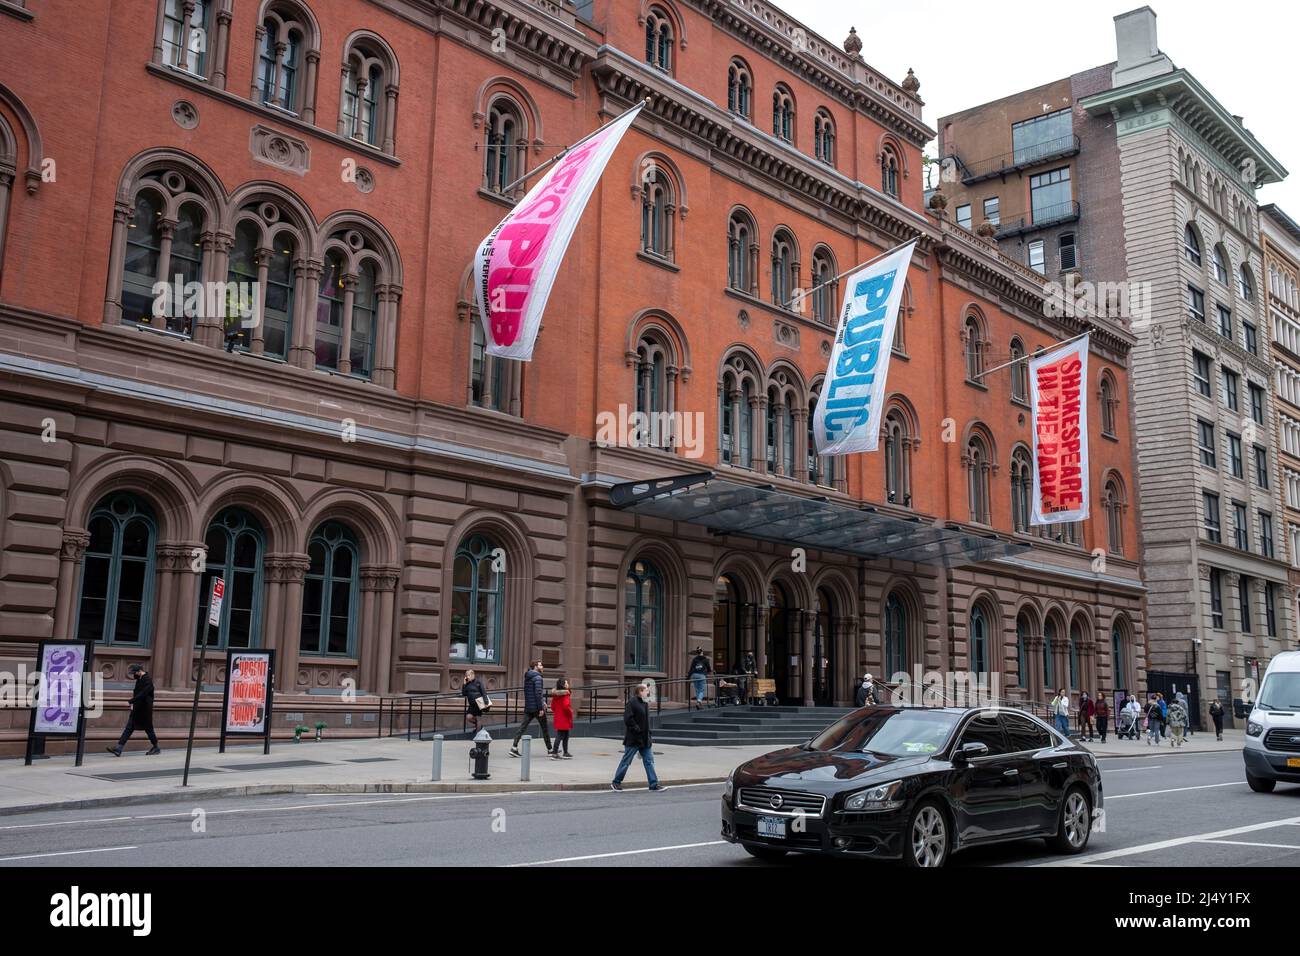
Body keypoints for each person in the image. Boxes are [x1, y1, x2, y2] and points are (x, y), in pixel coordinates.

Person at [611, 682, 665, 791]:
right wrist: (637, 729)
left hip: (645, 739)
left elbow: (645, 721)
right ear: (640, 691)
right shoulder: (632, 702)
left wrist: (648, 734)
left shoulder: (645, 703)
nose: (648, 692)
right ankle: (616, 782)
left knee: (649, 761)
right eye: (646, 690)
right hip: (634, 739)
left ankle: (653, 784)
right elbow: (628, 719)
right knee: (626, 761)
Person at [107, 663, 160, 756]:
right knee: (129, 728)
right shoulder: (140, 679)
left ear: (139, 671)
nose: (133, 675)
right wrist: (134, 704)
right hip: (137, 709)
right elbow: (137, 693)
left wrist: (131, 701)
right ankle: (118, 748)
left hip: (144, 711)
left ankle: (156, 747)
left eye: (134, 673)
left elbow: (143, 693)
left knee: (149, 729)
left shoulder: (147, 680)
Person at [510, 660, 553, 757]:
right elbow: (538, 693)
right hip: (537, 708)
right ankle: (550, 750)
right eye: (540, 665)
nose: (542, 666)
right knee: (545, 729)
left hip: (529, 707)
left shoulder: (528, 677)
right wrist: (541, 708)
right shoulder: (537, 677)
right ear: (535, 666)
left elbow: (533, 693)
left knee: (522, 728)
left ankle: (514, 748)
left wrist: (543, 702)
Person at [549, 678, 574, 759]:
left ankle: (565, 752)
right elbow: (566, 706)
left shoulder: (555, 695)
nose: (568, 684)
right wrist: (571, 712)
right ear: (564, 685)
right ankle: (555, 753)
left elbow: (552, 707)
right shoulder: (566, 694)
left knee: (565, 735)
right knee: (560, 736)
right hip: (564, 717)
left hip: (558, 717)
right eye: (567, 683)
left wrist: (558, 712)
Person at [461, 668, 490, 733]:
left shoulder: (478, 682)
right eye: (466, 675)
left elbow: (483, 692)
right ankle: (480, 726)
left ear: (472, 675)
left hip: (478, 703)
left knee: (478, 718)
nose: (467, 677)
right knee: (469, 717)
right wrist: (464, 684)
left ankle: (477, 734)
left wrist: (486, 701)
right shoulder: (467, 684)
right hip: (471, 704)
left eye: (468, 675)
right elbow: (464, 693)